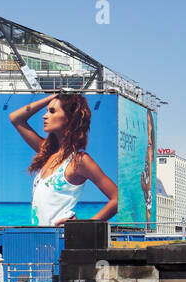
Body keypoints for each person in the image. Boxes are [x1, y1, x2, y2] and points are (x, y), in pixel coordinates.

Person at [9, 93, 118, 226]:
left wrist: (85, 225)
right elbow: (15, 118)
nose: (45, 116)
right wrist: (52, 98)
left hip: (63, 239)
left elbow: (117, 199)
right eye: (47, 111)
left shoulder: (80, 160)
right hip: (41, 238)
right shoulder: (47, 152)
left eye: (52, 111)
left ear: (68, 118)